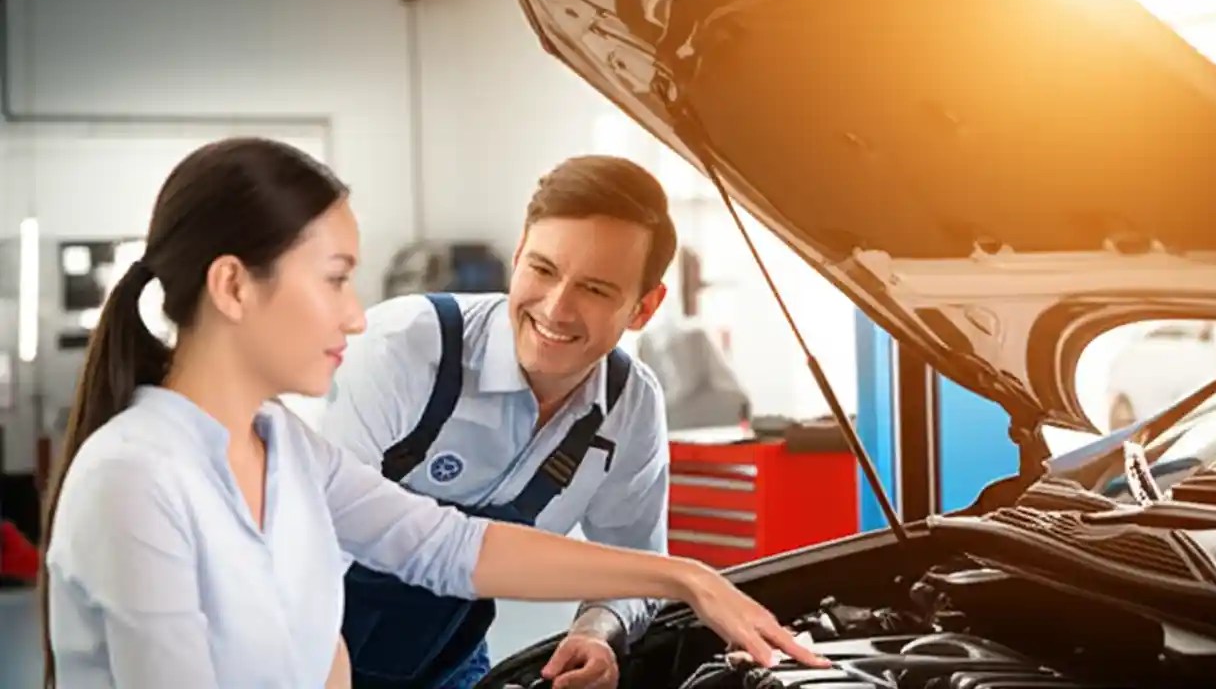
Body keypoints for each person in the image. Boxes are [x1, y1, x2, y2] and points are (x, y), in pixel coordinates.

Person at [37, 137, 826, 689]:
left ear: (642, 307)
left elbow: (446, 549)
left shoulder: (284, 449)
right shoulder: (136, 481)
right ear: (236, 288)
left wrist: (677, 580)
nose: (358, 316)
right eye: (334, 279)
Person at [319, 155, 684, 689]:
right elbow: (310, 546)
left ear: (644, 308)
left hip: (449, 660)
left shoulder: (630, 408)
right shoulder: (405, 350)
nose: (556, 309)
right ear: (517, 256)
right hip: (312, 644)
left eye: (596, 289)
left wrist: (597, 631)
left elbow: (636, 567)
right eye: (543, 270)